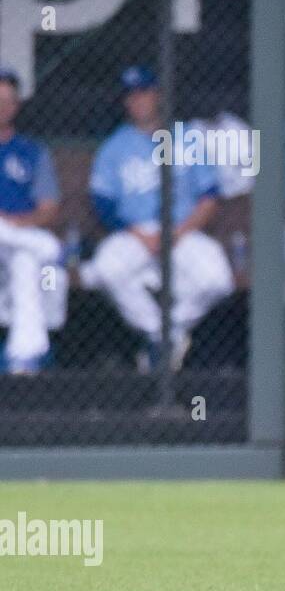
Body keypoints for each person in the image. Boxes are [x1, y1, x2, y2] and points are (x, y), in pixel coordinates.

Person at [80, 66, 234, 371]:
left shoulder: (187, 137)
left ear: (158, 95)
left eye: (144, 93)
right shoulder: (115, 146)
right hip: (135, 234)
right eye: (132, 95)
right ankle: (159, 335)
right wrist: (139, 234)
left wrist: (179, 232)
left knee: (219, 280)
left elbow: (209, 198)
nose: (138, 101)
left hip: (182, 232)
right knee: (104, 271)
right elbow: (104, 204)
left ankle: (167, 333)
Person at [0, 68, 61, 374]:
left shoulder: (32, 152)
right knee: (40, 250)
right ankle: (28, 352)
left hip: (14, 243)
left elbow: (48, 209)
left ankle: (22, 356)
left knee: (25, 261)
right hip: (22, 240)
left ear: (17, 106)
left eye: (8, 100)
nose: (2, 107)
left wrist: (10, 224)